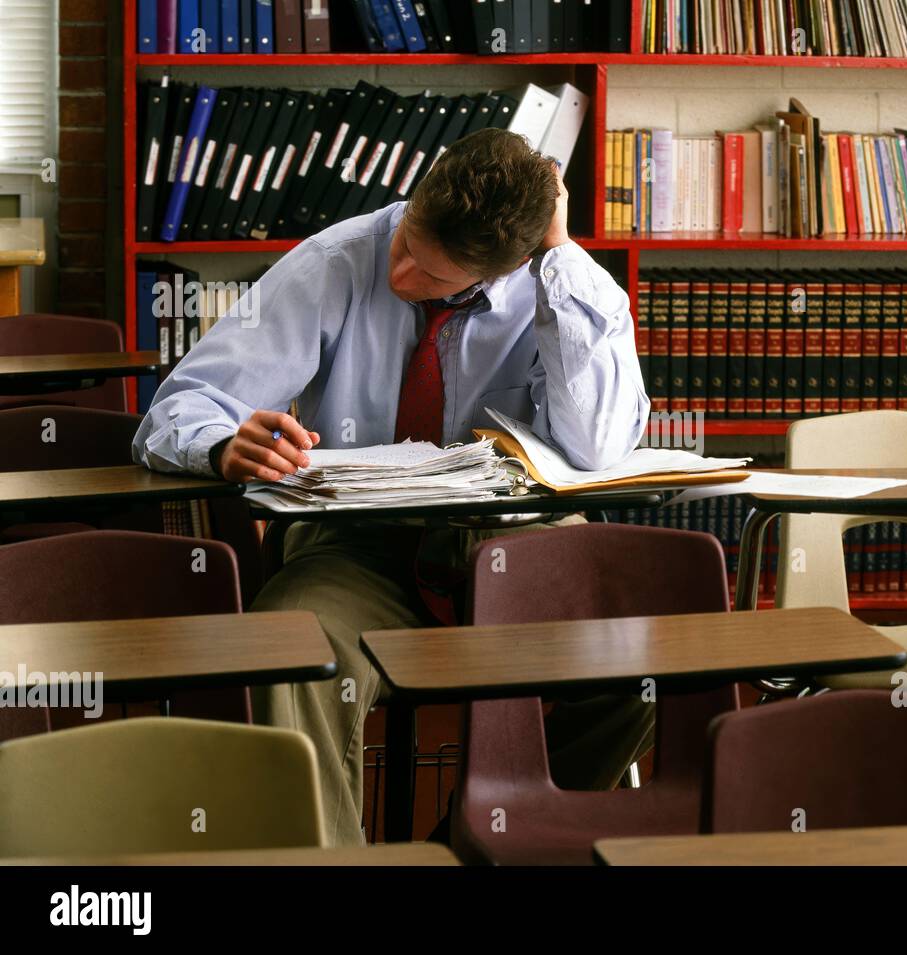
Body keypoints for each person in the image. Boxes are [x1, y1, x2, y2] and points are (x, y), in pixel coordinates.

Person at [133, 128, 653, 845]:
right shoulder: (333, 261)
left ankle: (483, 849)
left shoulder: (558, 288)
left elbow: (596, 442)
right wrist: (224, 444)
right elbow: (177, 405)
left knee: (636, 665)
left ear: (505, 267)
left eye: (433, 278)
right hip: (356, 546)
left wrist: (559, 256)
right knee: (288, 657)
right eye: (406, 240)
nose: (400, 272)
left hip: (513, 544)